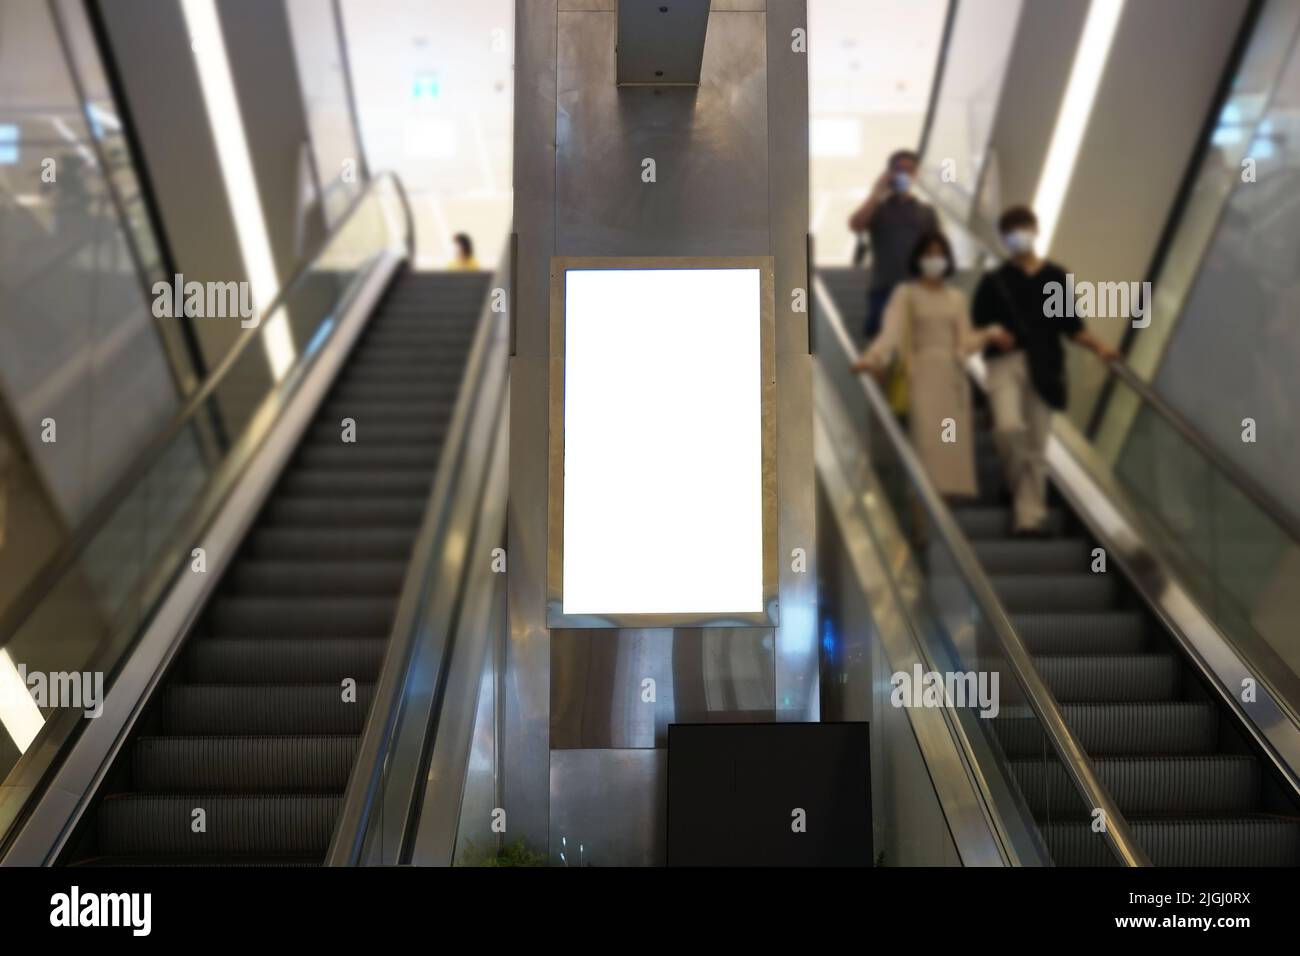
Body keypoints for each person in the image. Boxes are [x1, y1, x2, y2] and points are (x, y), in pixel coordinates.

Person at [971, 205, 1121, 535]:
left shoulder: (1055, 276)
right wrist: (994, 334)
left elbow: (1071, 326)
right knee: (1007, 429)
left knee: (1037, 443)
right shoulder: (994, 281)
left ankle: (1029, 516)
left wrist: (1100, 348)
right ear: (1004, 238)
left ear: (1036, 230)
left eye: (1023, 228)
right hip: (1003, 363)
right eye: (1010, 231)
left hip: (1045, 365)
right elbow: (976, 326)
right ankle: (1015, 487)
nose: (1017, 236)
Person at [853, 232, 1013, 499]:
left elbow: (964, 342)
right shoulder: (907, 293)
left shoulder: (956, 298)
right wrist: (872, 358)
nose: (934, 259)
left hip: (953, 380)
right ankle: (920, 519)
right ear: (918, 259)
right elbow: (891, 333)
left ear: (947, 259)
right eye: (928, 253)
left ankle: (942, 519)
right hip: (922, 377)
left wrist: (990, 334)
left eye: (939, 253)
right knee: (926, 446)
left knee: (949, 447)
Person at [848, 149, 939, 341]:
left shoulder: (926, 211)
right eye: (899, 169)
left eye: (909, 170)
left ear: (916, 174)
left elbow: (937, 249)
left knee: (916, 344)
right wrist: (877, 192)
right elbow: (856, 225)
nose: (904, 175)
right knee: (883, 346)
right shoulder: (877, 210)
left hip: (918, 288)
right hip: (884, 287)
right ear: (890, 173)